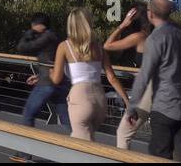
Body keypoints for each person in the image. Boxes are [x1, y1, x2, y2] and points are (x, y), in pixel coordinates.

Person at [122, 0, 181, 159]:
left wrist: (132, 108)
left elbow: (144, 76)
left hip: (164, 107)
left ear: (151, 14)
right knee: (171, 148)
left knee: (158, 155)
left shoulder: (155, 39)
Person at [49, 8, 130, 142]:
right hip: (100, 101)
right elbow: (112, 78)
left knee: (82, 148)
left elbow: (56, 79)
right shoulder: (99, 48)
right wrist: (127, 102)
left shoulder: (64, 46)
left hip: (80, 99)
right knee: (88, 141)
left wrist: (48, 73)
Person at [11, 13, 70, 161]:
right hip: (57, 82)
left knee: (28, 114)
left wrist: (29, 33)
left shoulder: (47, 36)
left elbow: (23, 47)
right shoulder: (54, 37)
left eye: (33, 26)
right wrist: (38, 75)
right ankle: (86, 147)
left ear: (39, 25)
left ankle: (24, 155)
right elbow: (50, 60)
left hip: (47, 84)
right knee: (66, 119)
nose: (32, 28)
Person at [104, 3, 154, 149]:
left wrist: (122, 25)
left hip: (148, 91)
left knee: (123, 133)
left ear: (133, 18)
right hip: (160, 89)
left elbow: (107, 45)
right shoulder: (153, 35)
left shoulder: (139, 37)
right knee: (169, 138)